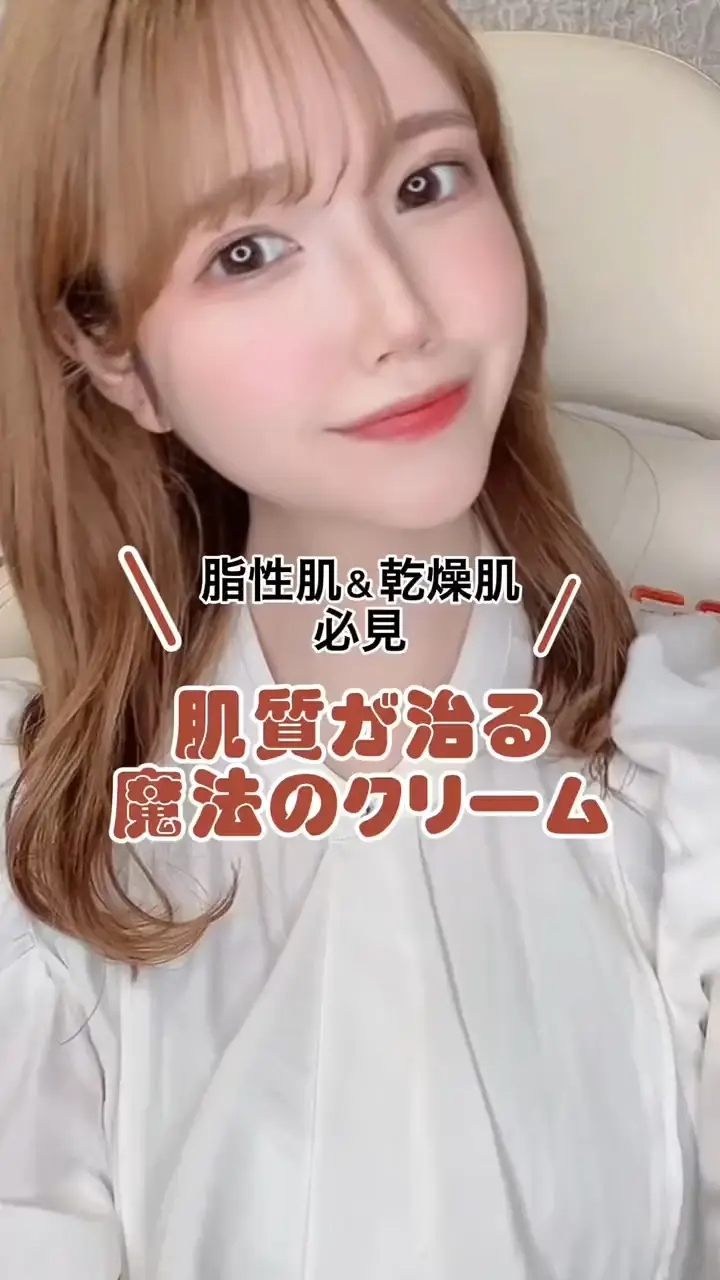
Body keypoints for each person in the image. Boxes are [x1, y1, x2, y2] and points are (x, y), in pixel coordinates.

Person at [0, 0, 719, 1276]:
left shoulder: (688, 765)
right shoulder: (47, 862)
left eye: (427, 182)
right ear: (113, 358)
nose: (397, 313)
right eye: (247, 251)